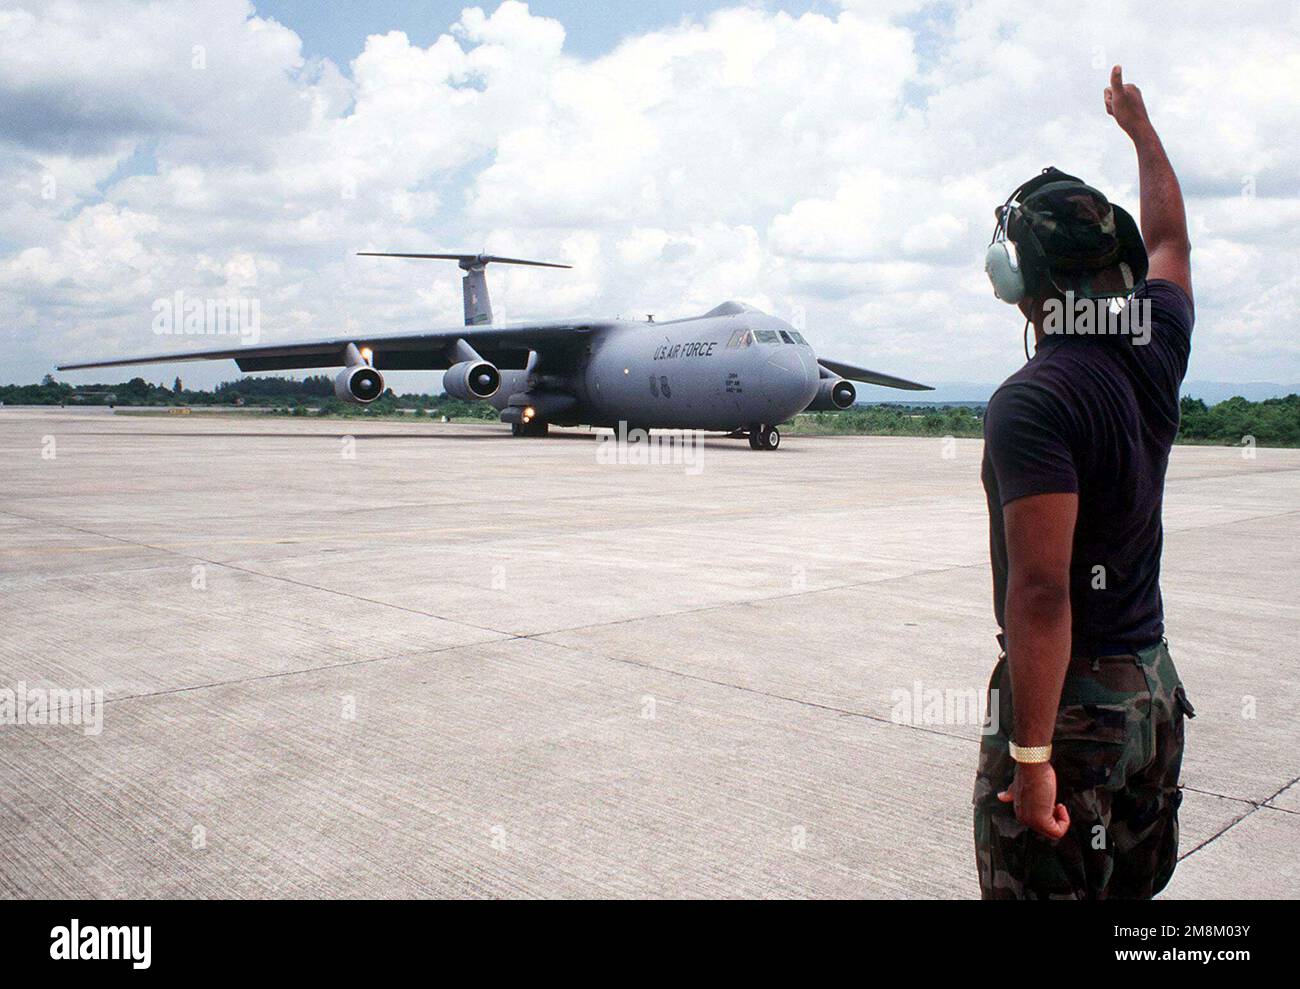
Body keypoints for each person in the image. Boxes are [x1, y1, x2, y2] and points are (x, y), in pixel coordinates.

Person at [972, 66, 1197, 899]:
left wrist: (1033, 760)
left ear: (1016, 277)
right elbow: (1171, 243)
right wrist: (1141, 132)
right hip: (1152, 691)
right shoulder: (1157, 344)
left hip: (1076, 712)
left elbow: (1041, 592)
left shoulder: (1033, 402)